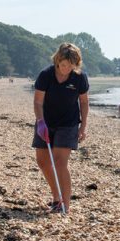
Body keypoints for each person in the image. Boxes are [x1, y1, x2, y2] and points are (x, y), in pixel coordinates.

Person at [32, 43, 89, 214]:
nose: (66, 69)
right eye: (63, 65)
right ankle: (56, 198)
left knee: (59, 162)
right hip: (45, 121)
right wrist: (40, 122)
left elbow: (84, 102)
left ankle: (65, 205)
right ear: (58, 60)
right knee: (42, 161)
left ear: (75, 65)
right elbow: (37, 101)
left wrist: (83, 126)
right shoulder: (46, 75)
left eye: (70, 66)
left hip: (68, 124)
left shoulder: (79, 78)